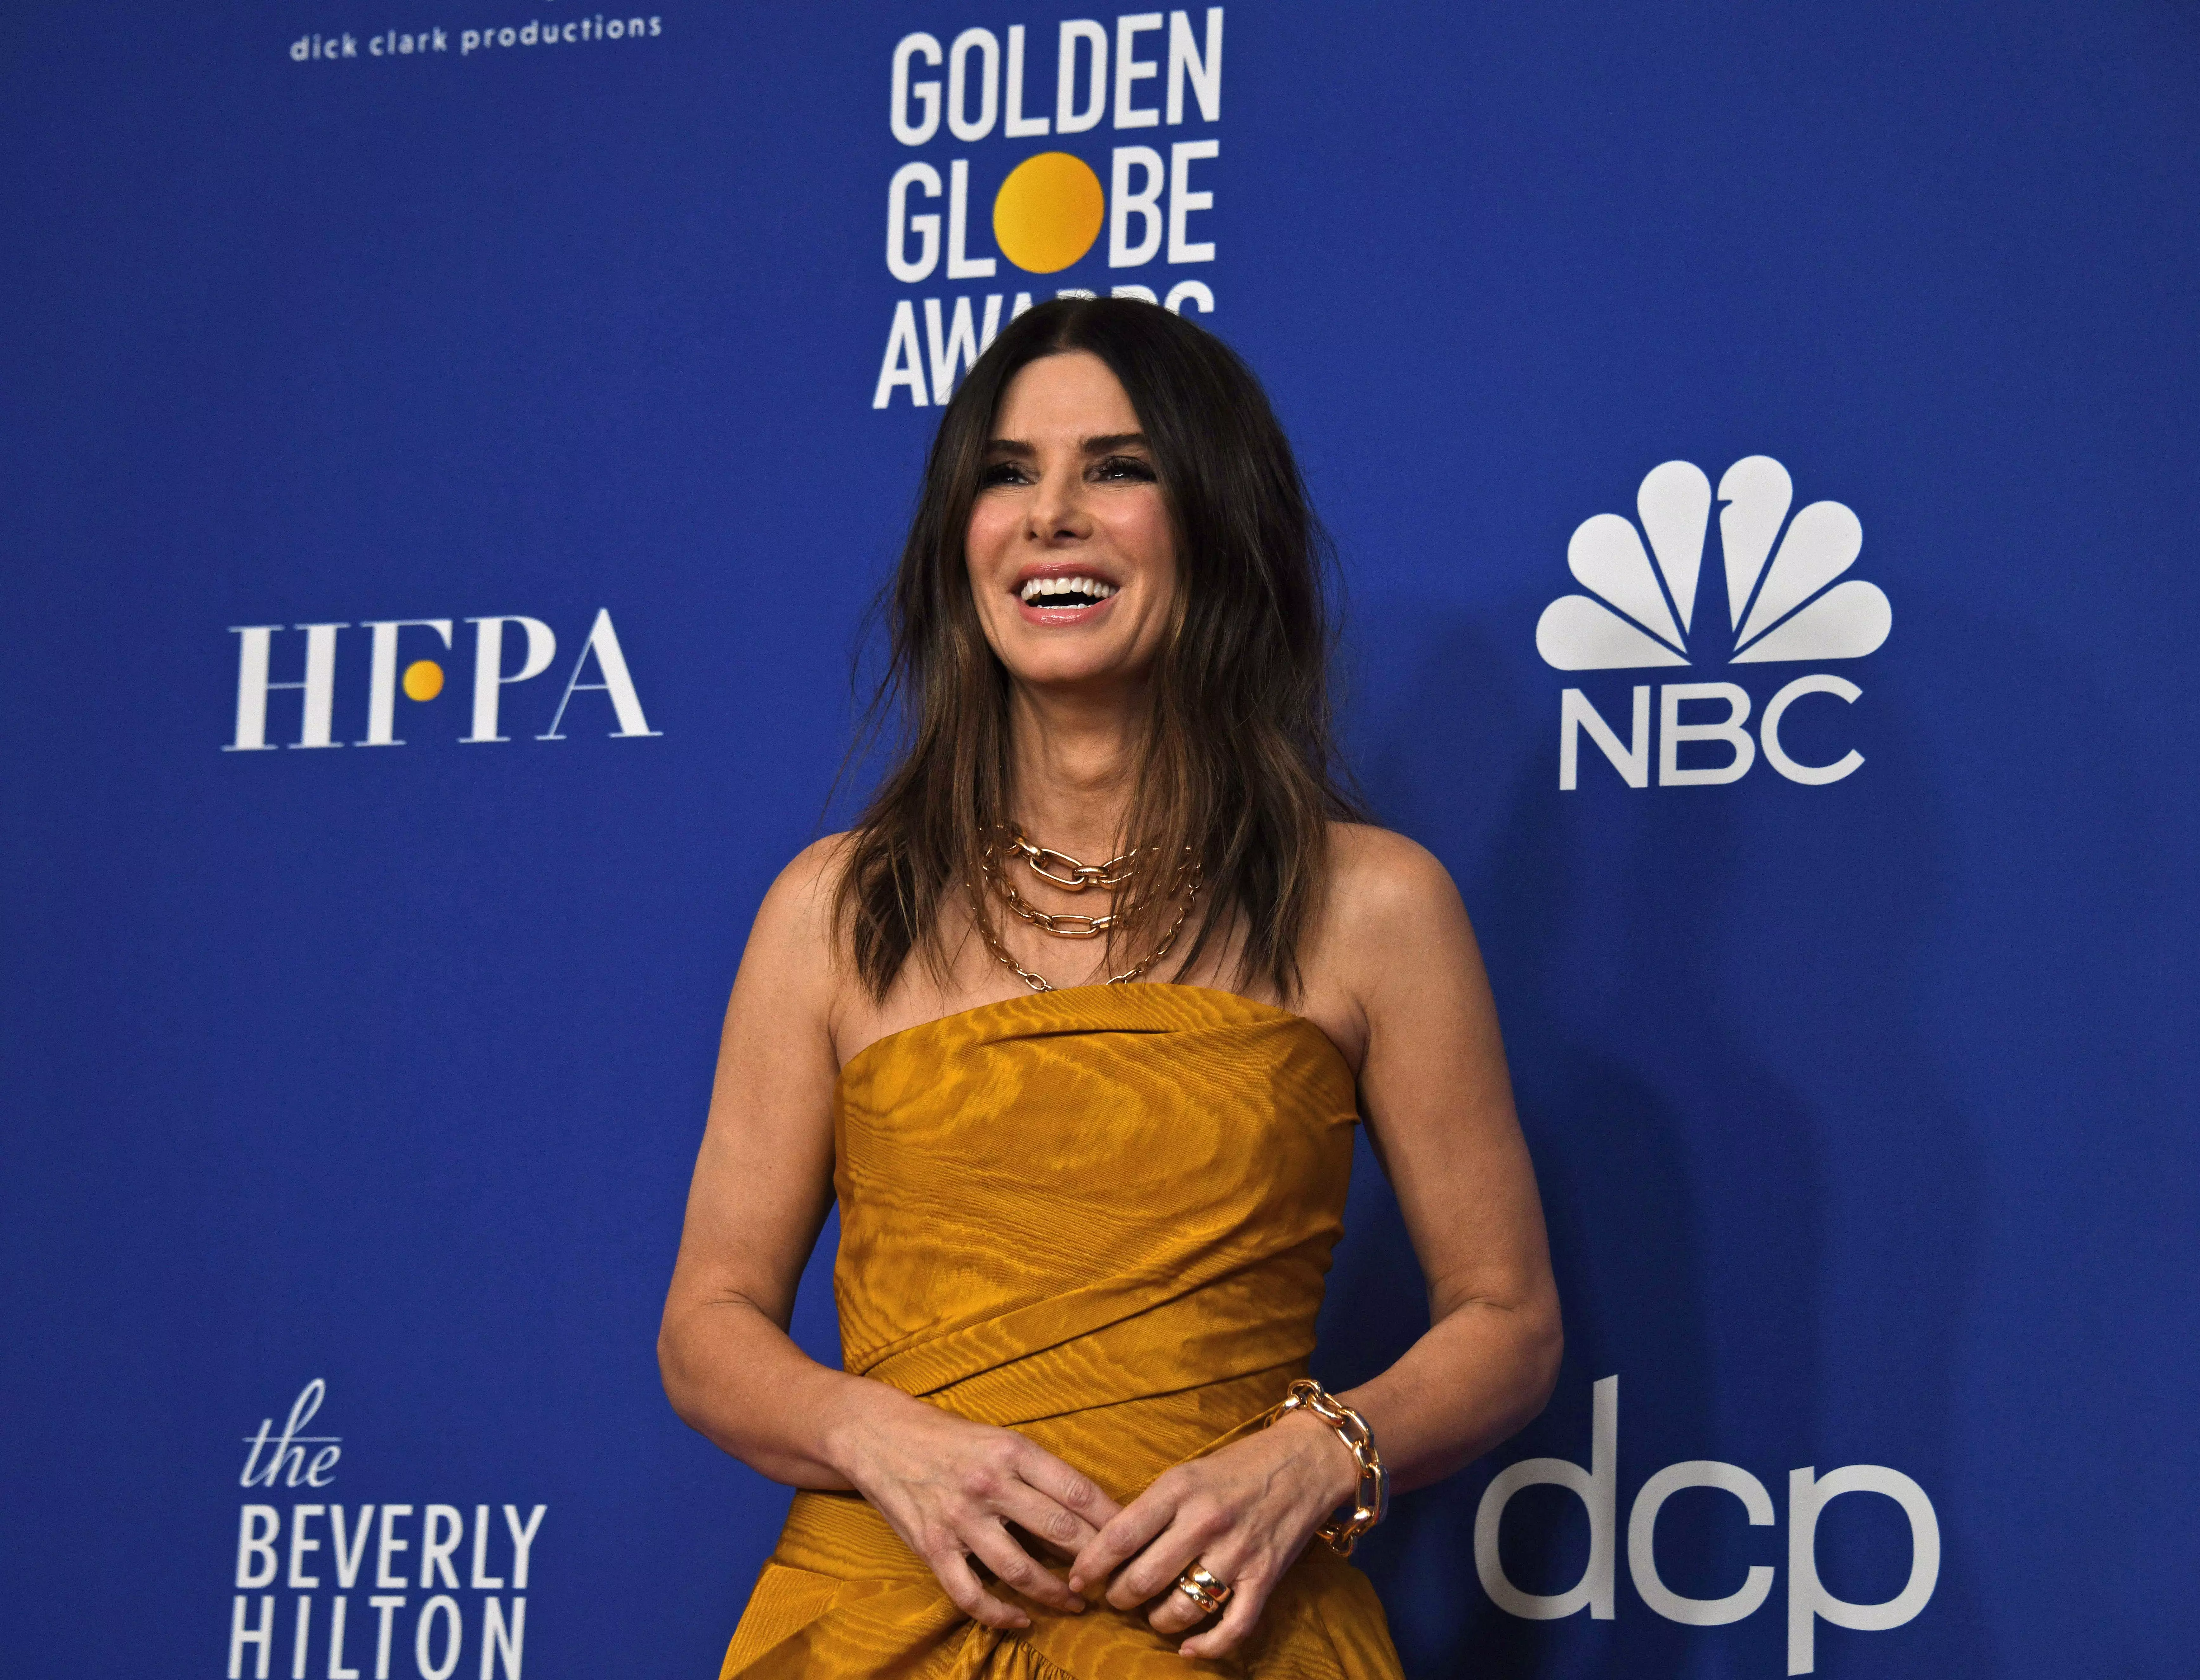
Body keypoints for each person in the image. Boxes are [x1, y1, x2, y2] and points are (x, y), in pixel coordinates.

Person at [659, 297, 1561, 1678]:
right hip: (873, 1634)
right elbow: (708, 1326)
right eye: (1006, 474)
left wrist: (1318, 1456)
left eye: (1120, 469)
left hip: (1225, 1642)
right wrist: (872, 1432)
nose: (1051, 516)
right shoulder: (832, 912)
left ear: (1216, 521)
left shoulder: (1376, 904)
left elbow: (1508, 1319)